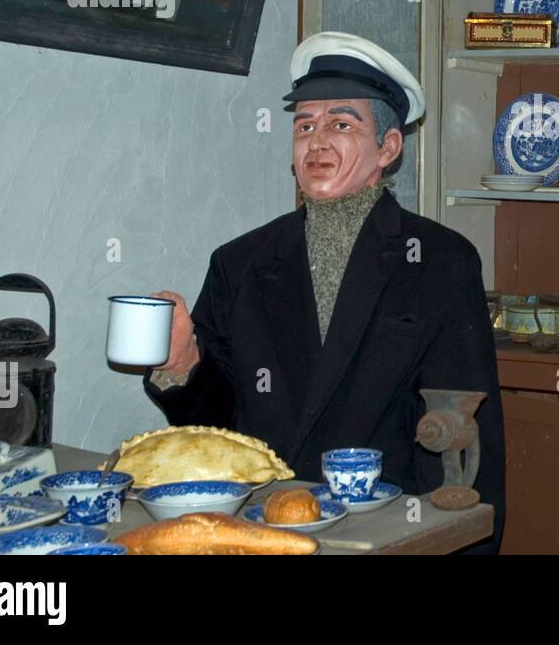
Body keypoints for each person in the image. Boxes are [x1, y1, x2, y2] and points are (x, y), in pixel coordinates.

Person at [145, 31, 505, 553]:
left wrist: (462, 540)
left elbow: (465, 433)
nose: (317, 141)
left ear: (388, 147)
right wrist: (183, 362)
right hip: (261, 528)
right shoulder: (239, 262)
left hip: (382, 532)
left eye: (341, 123)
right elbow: (216, 431)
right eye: (305, 125)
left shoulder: (440, 261)